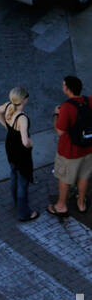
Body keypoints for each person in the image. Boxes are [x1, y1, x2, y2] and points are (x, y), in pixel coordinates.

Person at [48, 75, 92, 217]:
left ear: (67, 89)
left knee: (65, 178)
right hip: (88, 149)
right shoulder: (90, 101)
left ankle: (61, 206)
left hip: (70, 152)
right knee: (84, 177)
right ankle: (81, 203)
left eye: (63, 85)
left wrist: (56, 115)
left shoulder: (66, 107)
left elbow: (60, 131)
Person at [0, 87, 38, 222]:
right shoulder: (22, 118)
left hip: (10, 146)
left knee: (13, 174)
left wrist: (7, 127)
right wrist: (31, 143)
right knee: (23, 181)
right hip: (21, 151)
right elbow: (25, 142)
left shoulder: (7, 106)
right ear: (24, 100)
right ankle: (23, 213)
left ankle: (16, 202)